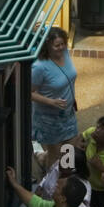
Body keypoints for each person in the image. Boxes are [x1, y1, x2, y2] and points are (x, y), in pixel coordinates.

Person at [31, 26, 78, 155]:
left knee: (69, 151)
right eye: (57, 45)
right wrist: (51, 102)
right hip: (49, 118)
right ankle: (48, 167)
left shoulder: (65, 54)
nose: (62, 48)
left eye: (63, 44)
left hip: (68, 114)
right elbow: (28, 92)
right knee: (55, 156)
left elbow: (69, 77)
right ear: (47, 46)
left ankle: (65, 174)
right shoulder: (39, 67)